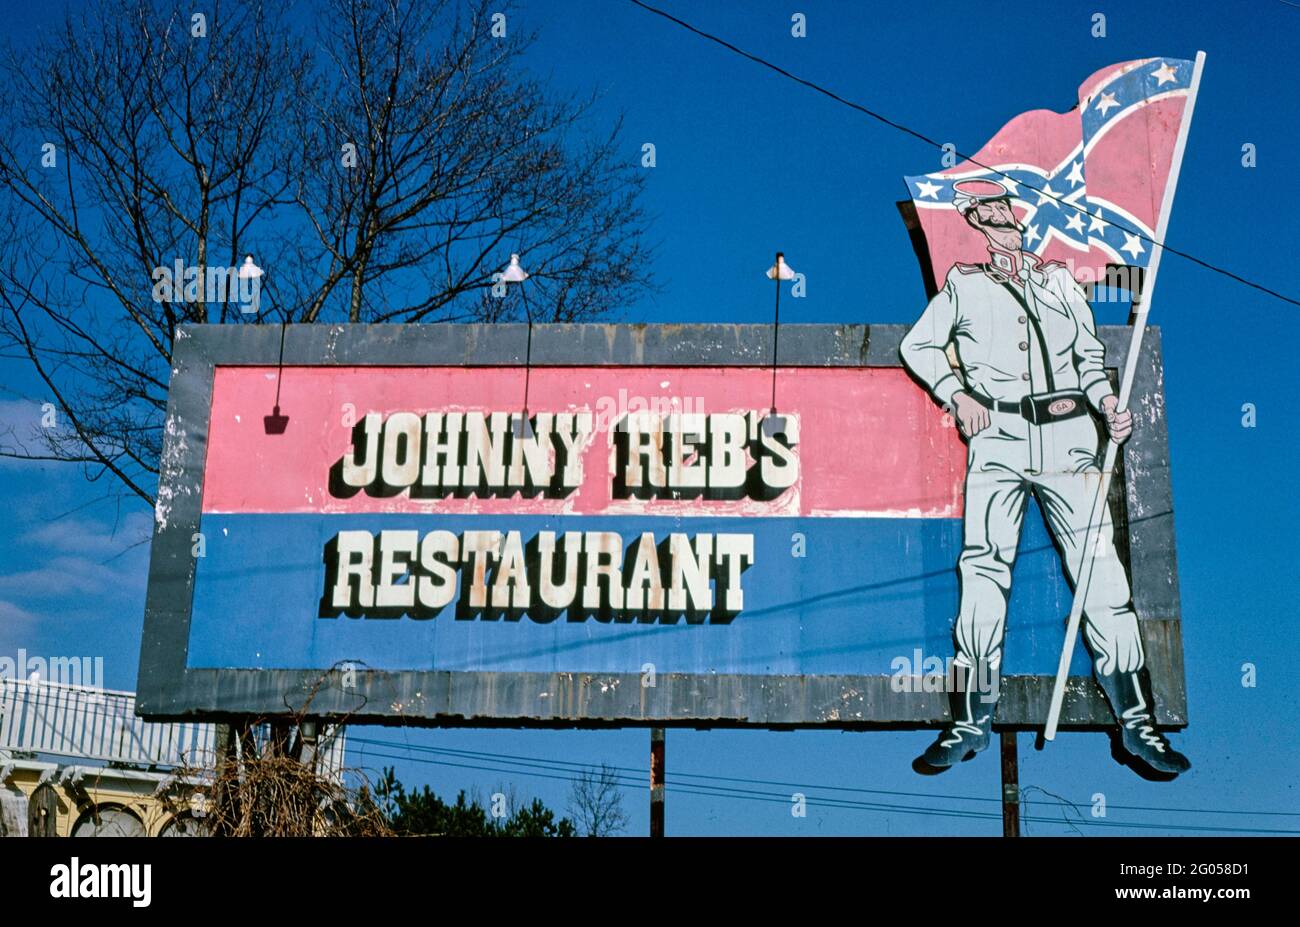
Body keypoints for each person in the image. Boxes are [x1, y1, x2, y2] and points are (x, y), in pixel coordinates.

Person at [900, 178, 1190, 778]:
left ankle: (1137, 720)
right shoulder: (965, 285)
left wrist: (1108, 402)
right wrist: (956, 394)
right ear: (976, 222)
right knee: (982, 569)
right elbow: (918, 345)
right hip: (999, 436)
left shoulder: (1059, 280)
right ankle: (969, 719)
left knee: (1100, 568)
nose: (1002, 216)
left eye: (1007, 207)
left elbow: (1088, 358)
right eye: (989, 210)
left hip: (1070, 434)